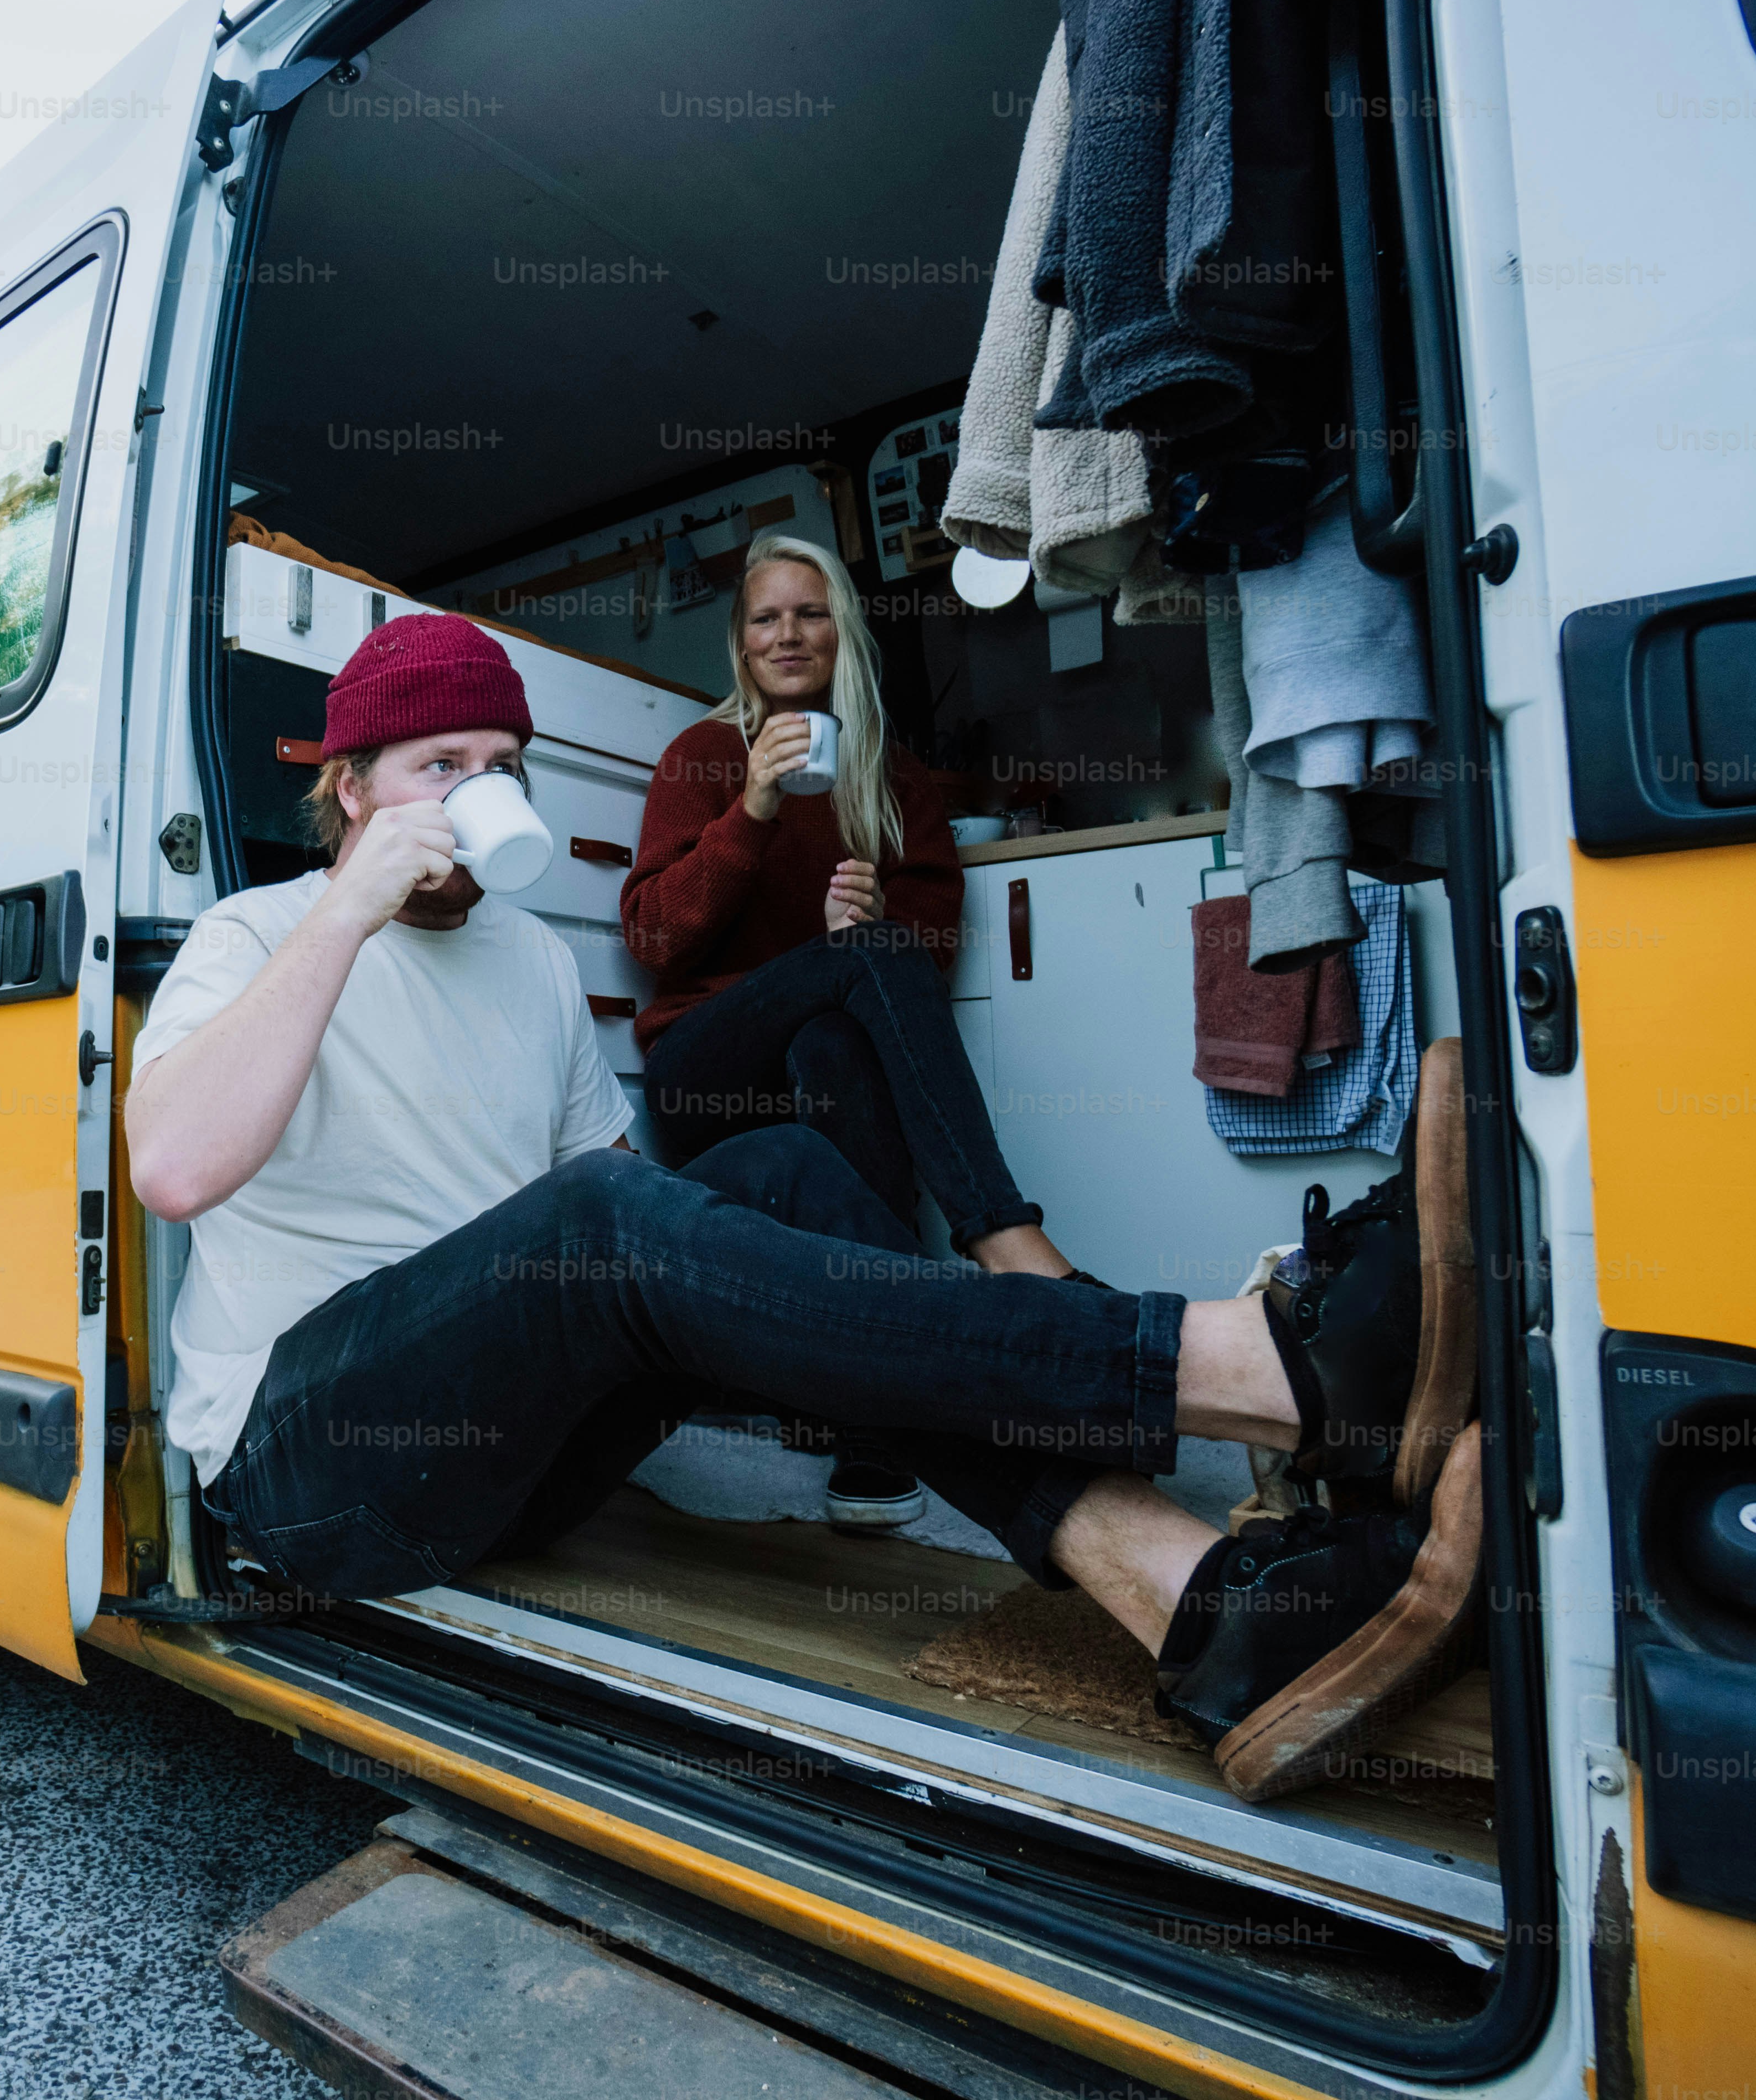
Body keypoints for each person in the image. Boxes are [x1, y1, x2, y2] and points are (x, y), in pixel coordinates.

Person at [124, 610, 1482, 1803]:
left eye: (502, 769)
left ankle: (1195, 1601)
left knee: (787, 1173)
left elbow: (615, 1222)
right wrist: (346, 913)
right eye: (441, 769)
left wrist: (768, 1307)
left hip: (507, 1453)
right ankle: (1246, 1363)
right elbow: (176, 1171)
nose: (480, 795)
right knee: (600, 1217)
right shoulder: (258, 934)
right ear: (351, 788)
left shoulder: (529, 958)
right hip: (314, 1468)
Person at [624, 532, 1068, 1530]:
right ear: (740, 646)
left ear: (844, 633)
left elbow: (929, 943)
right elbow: (656, 936)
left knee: (839, 1042)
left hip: (821, 1069)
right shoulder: (702, 758)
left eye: (809, 612)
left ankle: (870, 1436)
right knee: (853, 983)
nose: (788, 634)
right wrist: (754, 809)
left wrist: (870, 933)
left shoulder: (894, 775)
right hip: (707, 1066)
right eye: (765, 618)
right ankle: (1007, 1243)